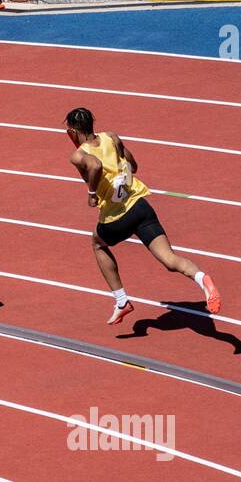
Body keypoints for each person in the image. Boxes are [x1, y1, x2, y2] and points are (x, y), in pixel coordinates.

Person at [65, 107, 220, 324]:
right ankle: (202, 279)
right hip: (140, 205)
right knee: (170, 259)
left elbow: (96, 165)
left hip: (117, 217)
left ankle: (121, 301)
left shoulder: (79, 155)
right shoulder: (111, 137)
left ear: (72, 131)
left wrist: (92, 193)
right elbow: (133, 165)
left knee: (98, 243)